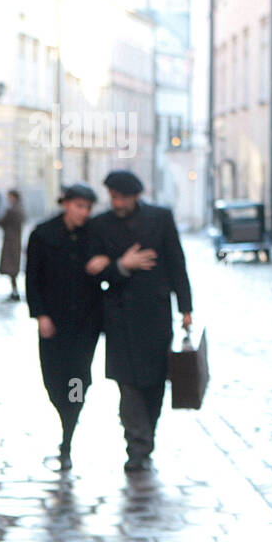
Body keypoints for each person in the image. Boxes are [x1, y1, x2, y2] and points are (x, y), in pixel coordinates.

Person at [84, 170, 193, 473]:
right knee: (128, 386)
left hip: (156, 314)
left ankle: (147, 437)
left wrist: (186, 307)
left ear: (135, 196)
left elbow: (176, 262)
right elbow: (93, 270)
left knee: (155, 384)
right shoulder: (100, 225)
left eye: (121, 197)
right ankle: (137, 446)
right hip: (119, 316)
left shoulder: (160, 218)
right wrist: (121, 266)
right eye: (113, 197)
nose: (116, 202)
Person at [25, 185, 103, 471]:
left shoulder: (93, 234)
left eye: (88, 208)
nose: (84, 213)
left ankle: (68, 435)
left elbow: (107, 259)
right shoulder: (43, 234)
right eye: (79, 206)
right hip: (53, 323)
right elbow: (32, 277)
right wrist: (40, 315)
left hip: (86, 321)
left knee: (78, 378)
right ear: (67, 204)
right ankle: (65, 416)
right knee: (54, 378)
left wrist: (105, 261)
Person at [0, 189, 25, 301]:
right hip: (14, 241)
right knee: (13, 269)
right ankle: (14, 290)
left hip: (11, 242)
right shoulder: (19, 209)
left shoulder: (13, 210)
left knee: (12, 269)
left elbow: (2, 222)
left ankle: (15, 291)